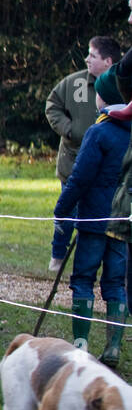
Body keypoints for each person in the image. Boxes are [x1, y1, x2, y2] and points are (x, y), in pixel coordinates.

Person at [53, 68, 129, 364]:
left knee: (83, 279)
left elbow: (80, 177)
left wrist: (62, 209)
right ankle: (113, 347)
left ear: (106, 97)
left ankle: (81, 345)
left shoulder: (100, 130)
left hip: (95, 219)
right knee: (114, 284)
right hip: (124, 221)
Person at [46, 36, 120, 272]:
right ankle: (57, 256)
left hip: (107, 170)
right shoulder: (74, 82)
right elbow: (52, 104)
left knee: (98, 218)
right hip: (73, 163)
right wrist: (69, 130)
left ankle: (100, 266)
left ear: (108, 61)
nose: (86, 58)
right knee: (67, 211)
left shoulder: (123, 85)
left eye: (92, 55)